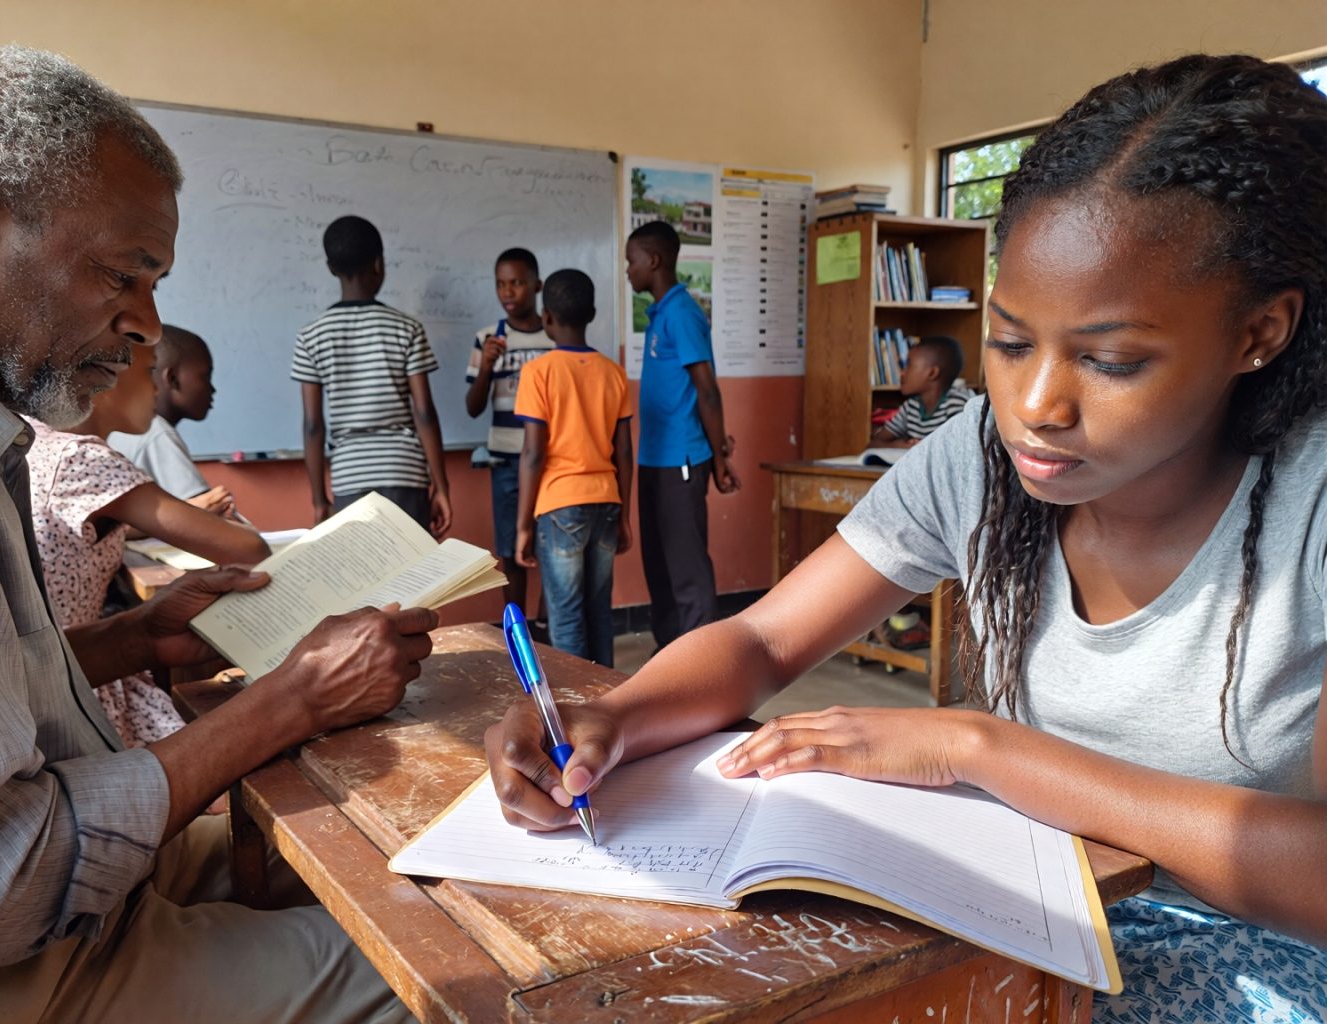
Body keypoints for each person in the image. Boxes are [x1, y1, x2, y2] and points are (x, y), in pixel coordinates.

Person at [486, 54, 1327, 1023]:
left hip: (1254, 962)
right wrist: (617, 720)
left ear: (1259, 332)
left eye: (1109, 359)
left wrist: (982, 747)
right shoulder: (980, 457)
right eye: (1009, 342)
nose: (1035, 407)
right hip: (1030, 914)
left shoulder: (1308, 499)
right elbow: (765, 639)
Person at [0, 46, 429, 1023]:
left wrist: (133, 638)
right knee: (435, 970)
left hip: (48, 903)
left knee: (402, 863)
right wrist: (294, 698)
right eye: (126, 276)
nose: (144, 324)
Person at [29, 342, 269, 749]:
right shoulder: (83, 457)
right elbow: (248, 549)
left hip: (46, 671)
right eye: (148, 371)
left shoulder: (36, 439)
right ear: (104, 382)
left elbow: (87, 529)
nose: (157, 387)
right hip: (80, 683)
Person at [292, 215, 452, 538]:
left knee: (363, 583)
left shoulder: (311, 337)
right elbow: (424, 412)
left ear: (330, 268)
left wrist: (319, 499)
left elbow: (313, 425)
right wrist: (442, 487)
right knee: (415, 581)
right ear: (379, 263)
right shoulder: (407, 329)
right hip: (404, 472)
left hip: (350, 476)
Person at [626, 220, 738, 650]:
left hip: (683, 461)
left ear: (653, 261)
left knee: (686, 567)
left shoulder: (683, 313)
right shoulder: (660, 314)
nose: (628, 270)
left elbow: (707, 391)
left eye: (631, 261)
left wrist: (720, 456)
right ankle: (670, 655)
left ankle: (701, 661)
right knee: (658, 565)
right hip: (655, 459)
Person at [512, 269, 632, 667]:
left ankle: (575, 716)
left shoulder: (538, 372)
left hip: (560, 505)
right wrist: (625, 517)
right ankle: (607, 704)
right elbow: (624, 454)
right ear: (593, 313)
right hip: (606, 502)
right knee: (599, 612)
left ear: (546, 318)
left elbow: (532, 454)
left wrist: (524, 525)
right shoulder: (613, 372)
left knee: (565, 617)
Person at [466, 248, 551, 613]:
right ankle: (518, 634)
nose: (507, 292)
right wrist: (486, 366)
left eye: (516, 283)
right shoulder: (488, 338)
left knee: (551, 550)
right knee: (509, 552)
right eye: (500, 284)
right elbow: (472, 407)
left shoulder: (555, 337)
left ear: (536, 285)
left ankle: (551, 630)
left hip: (550, 461)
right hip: (504, 462)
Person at [108, 323, 239, 518]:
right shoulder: (155, 433)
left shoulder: (124, 427)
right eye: (205, 376)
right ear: (173, 379)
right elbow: (211, 515)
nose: (212, 389)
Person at [871, 335, 976, 447]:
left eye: (908, 365)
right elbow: (874, 443)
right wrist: (901, 446)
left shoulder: (958, 403)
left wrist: (920, 449)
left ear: (932, 373)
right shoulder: (911, 407)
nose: (902, 373)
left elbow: (961, 450)